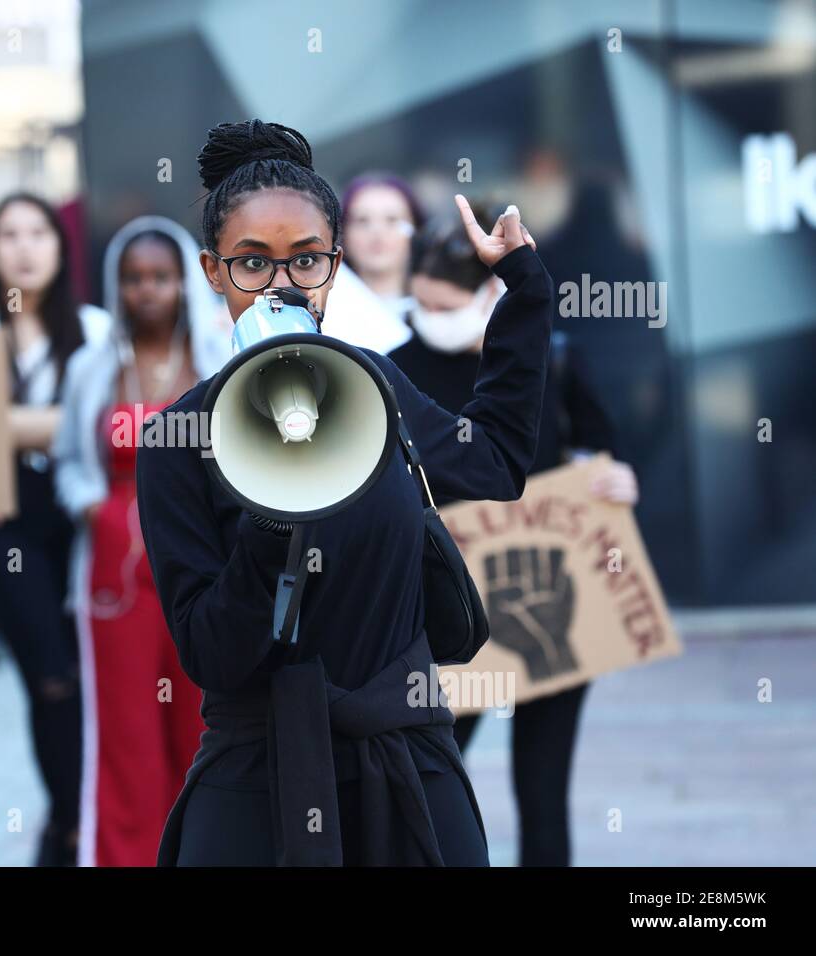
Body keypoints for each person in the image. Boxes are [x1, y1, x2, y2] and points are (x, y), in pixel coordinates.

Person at [136, 119, 554, 866]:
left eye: (305, 261)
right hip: (256, 781)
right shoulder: (177, 439)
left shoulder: (375, 387)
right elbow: (209, 651)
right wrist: (269, 523)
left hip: (408, 771)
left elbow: (491, 464)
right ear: (210, 271)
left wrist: (522, 292)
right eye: (251, 264)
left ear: (334, 266)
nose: (282, 285)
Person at [390, 207, 639, 866]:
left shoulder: (544, 361)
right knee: (437, 774)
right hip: (455, 609)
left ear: (485, 298)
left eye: (446, 305)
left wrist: (615, 478)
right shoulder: (395, 371)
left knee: (544, 786)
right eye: (422, 305)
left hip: (549, 595)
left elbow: (601, 446)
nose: (432, 319)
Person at [53, 216, 230, 866]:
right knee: (124, 738)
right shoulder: (90, 370)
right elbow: (70, 459)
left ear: (186, 282)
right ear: (115, 286)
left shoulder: (220, 362)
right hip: (113, 580)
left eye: (160, 277)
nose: (147, 291)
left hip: (199, 571)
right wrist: (93, 507)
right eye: (133, 279)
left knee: (202, 728)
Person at [0, 192, 111, 865]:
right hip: (3, 527)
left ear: (60, 245)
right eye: (8, 234)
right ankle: (69, 824)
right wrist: (57, 426)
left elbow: (108, 427)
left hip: (80, 522)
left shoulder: (96, 329)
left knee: (86, 678)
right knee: (48, 676)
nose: (24, 248)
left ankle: (70, 826)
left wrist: (7, 426)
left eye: (38, 233)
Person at [320, 172, 425, 355]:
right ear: (343, 233)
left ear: (417, 229)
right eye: (362, 221)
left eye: (392, 219)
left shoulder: (441, 307)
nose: (377, 232)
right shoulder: (322, 309)